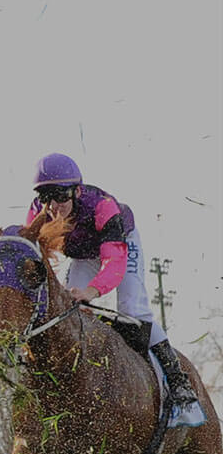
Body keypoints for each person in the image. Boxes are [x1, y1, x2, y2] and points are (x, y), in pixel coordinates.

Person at [27, 153, 203, 428]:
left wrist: (93, 291)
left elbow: (115, 263)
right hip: (83, 254)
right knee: (71, 310)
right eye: (46, 197)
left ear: (76, 191)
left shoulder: (103, 207)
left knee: (133, 309)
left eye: (61, 197)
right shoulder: (38, 211)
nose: (53, 208)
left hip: (120, 245)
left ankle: (180, 387)